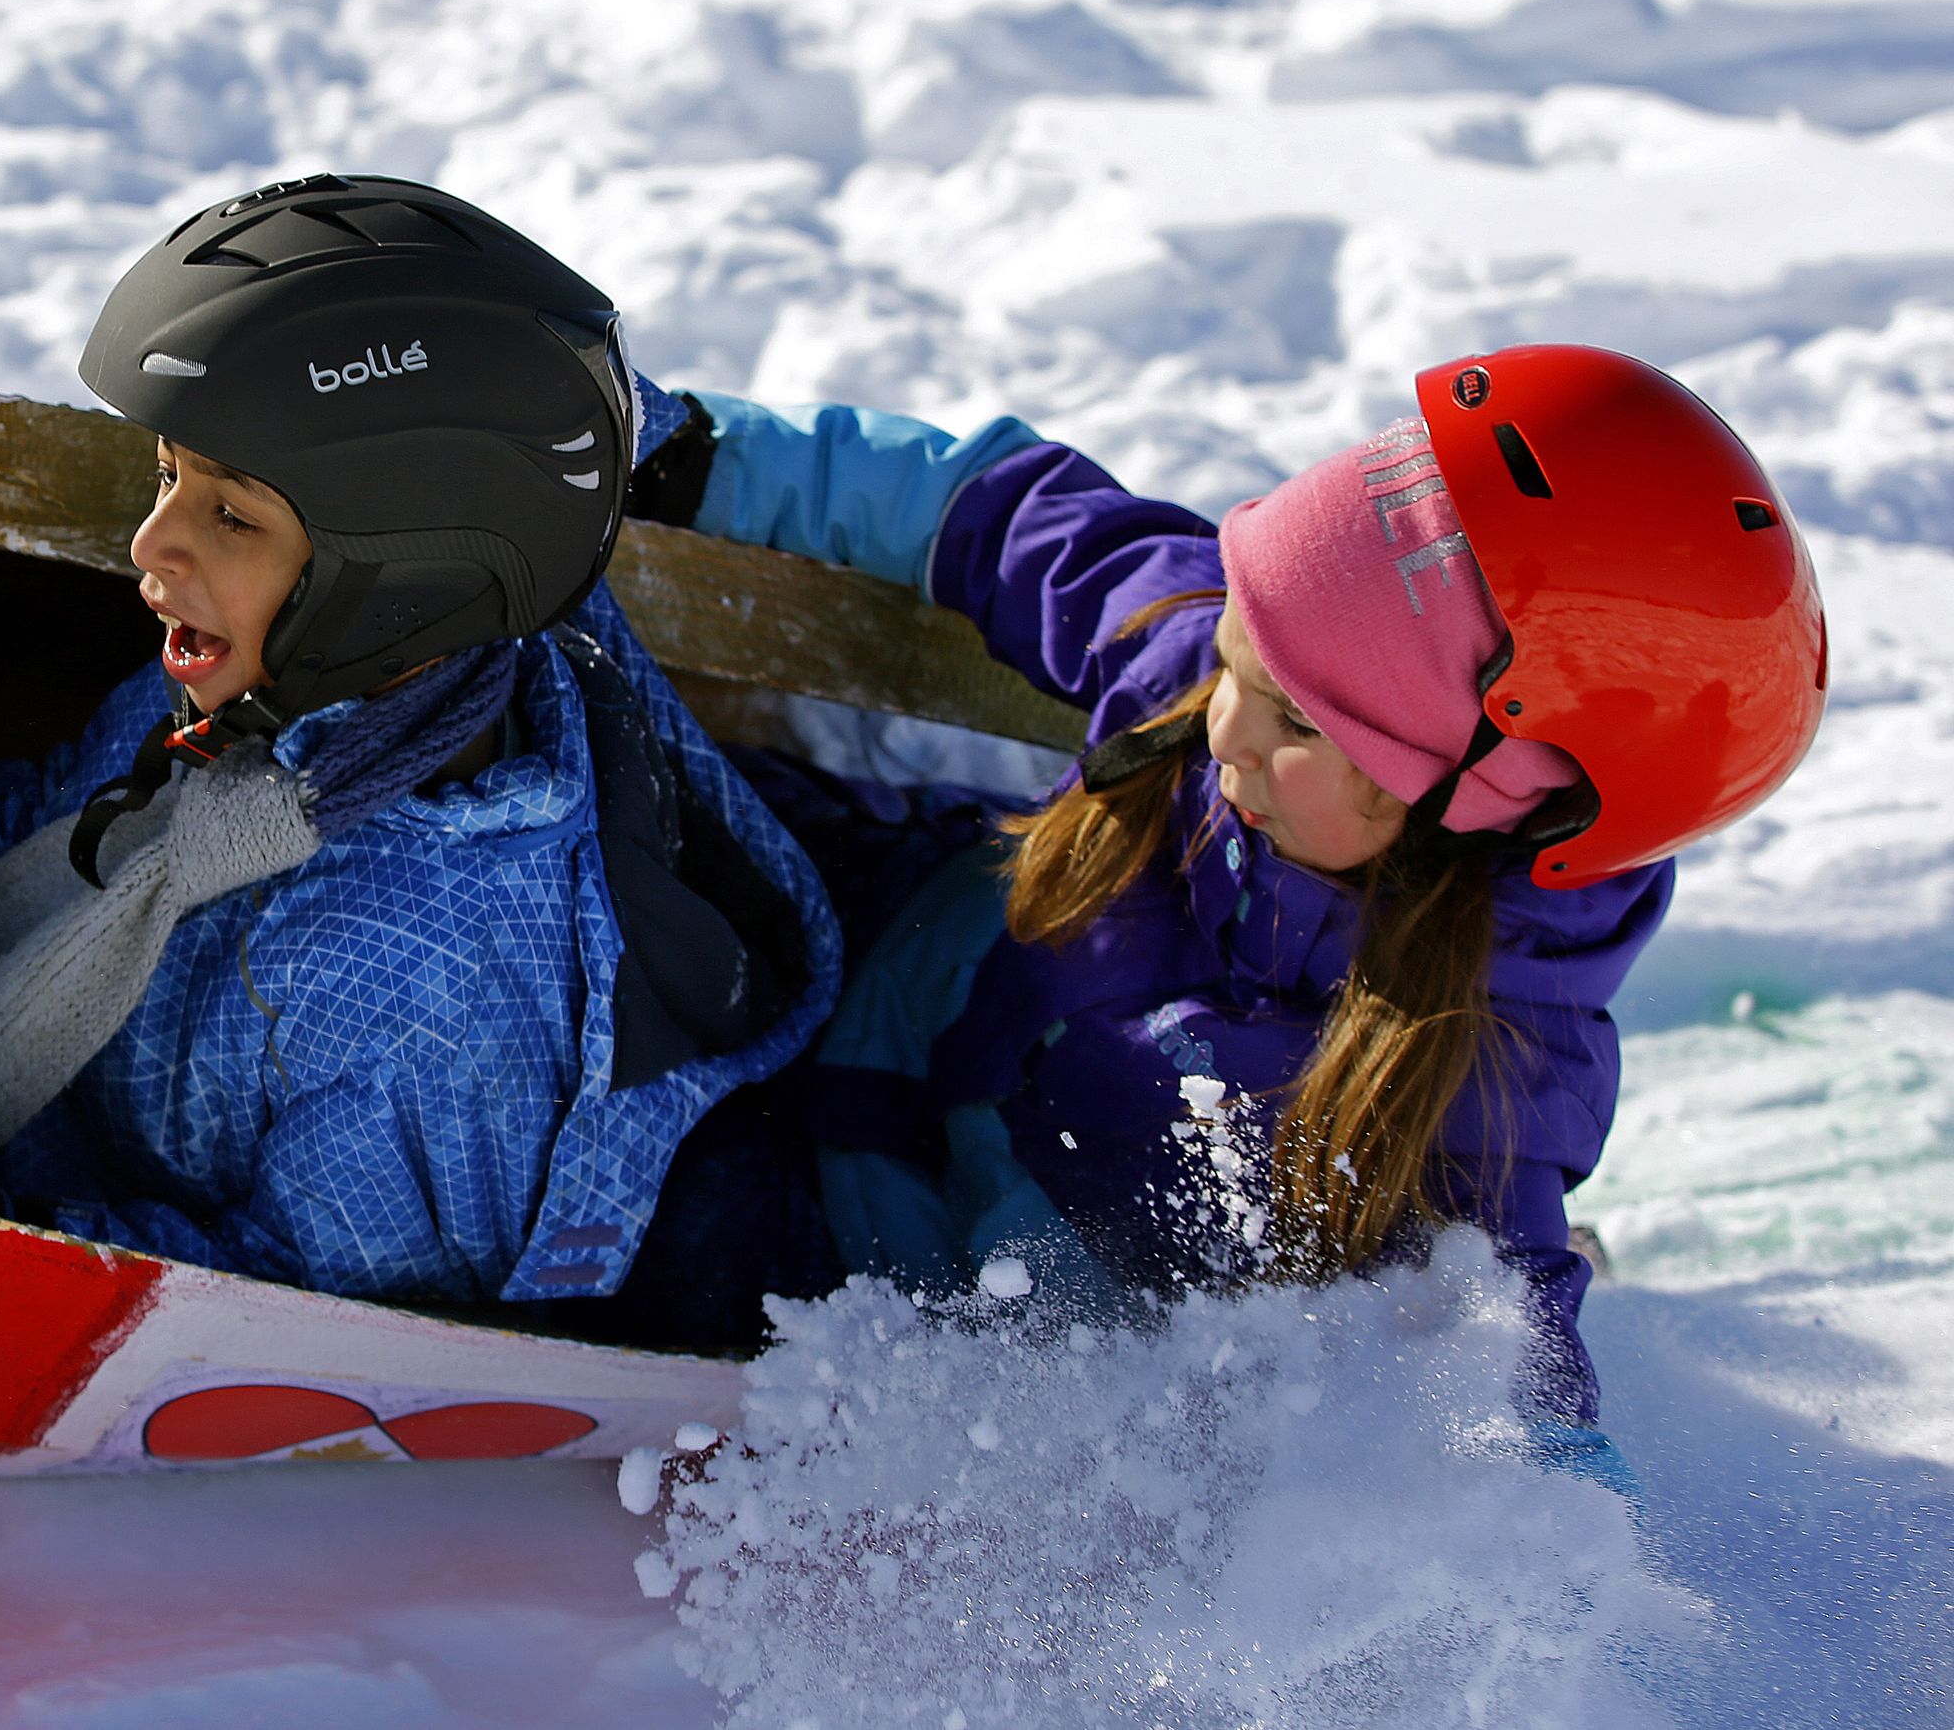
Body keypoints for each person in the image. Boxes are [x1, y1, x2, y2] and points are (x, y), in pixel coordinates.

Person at [623, 345, 1827, 1461]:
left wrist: (1542, 1547)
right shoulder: (1220, 678)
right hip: (892, 930)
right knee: (612, 801)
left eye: (1297, 720)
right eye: (1243, 651)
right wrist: (679, 450)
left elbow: (1508, 1397)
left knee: (635, 1213)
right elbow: (991, 507)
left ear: (1469, 816)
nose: (1223, 728)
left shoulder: (1480, 1088)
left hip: (884, 1246)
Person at [0, 173, 839, 1321]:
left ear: (402, 582)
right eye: (168, 475)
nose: (149, 543)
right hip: (30, 1127)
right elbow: (61, 856)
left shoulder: (429, 1004)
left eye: (229, 514)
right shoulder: (276, 692)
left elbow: (287, 1317)